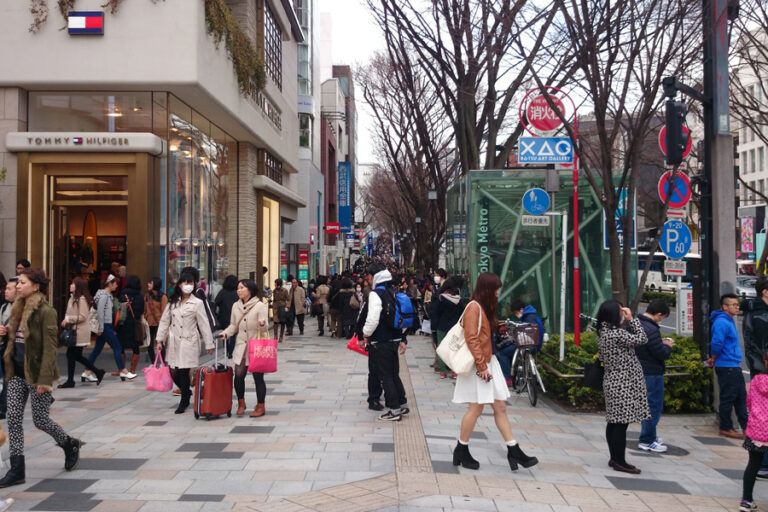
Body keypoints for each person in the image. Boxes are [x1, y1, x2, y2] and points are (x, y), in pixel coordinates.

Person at [0, 268, 84, 488]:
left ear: (36, 286)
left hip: (37, 374)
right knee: (13, 419)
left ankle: (69, 443)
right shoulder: (15, 308)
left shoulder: (46, 312)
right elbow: (14, 340)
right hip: (15, 372)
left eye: (23, 283)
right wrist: (4, 333)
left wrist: (45, 380)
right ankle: (17, 470)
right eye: (18, 283)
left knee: (40, 420)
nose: (18, 286)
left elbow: (50, 348)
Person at [451, 272, 538, 472]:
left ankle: (512, 449)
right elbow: (471, 337)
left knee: (499, 407)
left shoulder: (482, 308)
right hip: (480, 365)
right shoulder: (474, 307)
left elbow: (481, 333)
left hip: (488, 362)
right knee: (476, 409)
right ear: (487, 289)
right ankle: (462, 449)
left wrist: (497, 328)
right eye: (496, 289)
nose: (498, 292)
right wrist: (482, 367)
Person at [597, 299, 649, 474]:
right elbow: (642, 338)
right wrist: (632, 319)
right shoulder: (616, 333)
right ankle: (620, 461)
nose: (623, 312)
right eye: (620, 310)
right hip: (623, 383)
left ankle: (615, 458)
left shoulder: (603, 332)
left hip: (613, 380)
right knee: (620, 424)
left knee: (614, 422)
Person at [155, 272, 215, 414]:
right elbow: (164, 321)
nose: (188, 285)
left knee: (183, 371)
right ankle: (186, 391)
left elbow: (204, 324)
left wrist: (209, 343)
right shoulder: (173, 302)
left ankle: (183, 401)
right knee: (172, 371)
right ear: (179, 285)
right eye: (185, 283)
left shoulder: (197, 303)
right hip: (174, 341)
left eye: (191, 283)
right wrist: (159, 340)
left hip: (189, 340)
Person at [361, 267, 409, 421]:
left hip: (381, 340)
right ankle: (402, 403)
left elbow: (373, 318)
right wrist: (402, 338)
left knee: (385, 375)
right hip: (395, 338)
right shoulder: (394, 293)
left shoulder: (376, 294)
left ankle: (394, 410)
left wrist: (366, 333)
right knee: (394, 373)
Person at [222, 279, 269, 417]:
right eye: (238, 288)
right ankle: (241, 403)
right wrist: (225, 333)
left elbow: (266, 327)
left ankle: (261, 406)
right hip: (241, 346)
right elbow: (233, 325)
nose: (239, 290)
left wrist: (262, 324)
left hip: (256, 347)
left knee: (258, 377)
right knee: (238, 376)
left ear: (250, 290)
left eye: (242, 288)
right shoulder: (235, 306)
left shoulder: (259, 305)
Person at [635, 299, 675, 452]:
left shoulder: (637, 323)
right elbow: (660, 353)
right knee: (653, 407)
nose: (661, 320)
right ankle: (647, 440)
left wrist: (660, 342)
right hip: (651, 372)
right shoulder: (651, 329)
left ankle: (650, 435)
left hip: (639, 369)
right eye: (662, 317)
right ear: (658, 314)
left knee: (647, 406)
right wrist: (667, 346)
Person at [709, 293, 749, 439]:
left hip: (733, 365)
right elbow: (717, 343)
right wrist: (713, 357)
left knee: (740, 398)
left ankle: (747, 428)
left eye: (737, 304)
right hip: (727, 366)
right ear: (725, 307)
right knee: (728, 398)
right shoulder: (722, 322)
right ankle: (725, 428)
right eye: (734, 305)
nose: (737, 307)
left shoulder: (728, 320)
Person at [743, 277, 768, 478]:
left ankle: (762, 464)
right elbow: (758, 346)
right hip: (763, 372)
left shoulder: (756, 311)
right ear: (765, 292)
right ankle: (763, 465)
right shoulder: (759, 314)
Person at [84, 275, 132, 381]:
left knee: (97, 350)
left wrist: (124, 305)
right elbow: (100, 312)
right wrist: (101, 328)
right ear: (109, 283)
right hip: (105, 326)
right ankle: (123, 370)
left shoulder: (106, 295)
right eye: (115, 284)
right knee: (117, 347)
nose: (116, 286)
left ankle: (87, 371)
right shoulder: (104, 296)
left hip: (105, 325)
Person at [58, 277, 103, 388]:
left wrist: (68, 319)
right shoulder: (72, 298)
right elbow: (69, 313)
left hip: (79, 332)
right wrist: (67, 319)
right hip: (74, 330)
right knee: (76, 356)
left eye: (73, 284)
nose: (70, 285)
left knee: (72, 355)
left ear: (78, 286)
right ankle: (97, 372)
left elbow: (83, 316)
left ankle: (71, 381)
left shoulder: (81, 300)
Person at [740, 349, 768, 512]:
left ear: (764, 361)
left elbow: (749, 402)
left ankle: (746, 500)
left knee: (753, 466)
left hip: (756, 430)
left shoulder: (757, 380)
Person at [496, 299, 544, 387]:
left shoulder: (528, 317)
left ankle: (508, 379)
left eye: (516, 312)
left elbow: (528, 333)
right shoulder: (532, 314)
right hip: (535, 344)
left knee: (503, 353)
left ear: (521, 309)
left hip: (529, 346)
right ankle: (514, 375)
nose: (516, 314)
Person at [432, 277, 465, 379]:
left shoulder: (441, 299)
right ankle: (455, 372)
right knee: (454, 349)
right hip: (455, 328)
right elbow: (462, 313)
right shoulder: (459, 300)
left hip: (442, 327)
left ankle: (443, 372)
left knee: (441, 348)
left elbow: (436, 313)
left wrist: (434, 327)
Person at [115, 275, 144, 377]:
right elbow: (141, 310)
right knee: (135, 347)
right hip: (135, 324)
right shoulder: (140, 296)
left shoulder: (123, 294)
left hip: (123, 324)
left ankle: (122, 369)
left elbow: (118, 309)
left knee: (120, 346)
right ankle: (132, 370)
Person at [0, 278, 18, 418]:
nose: (5, 291)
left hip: (18, 348)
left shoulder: (25, 308)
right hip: (5, 346)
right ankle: (3, 406)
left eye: (9, 289)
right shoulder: (4, 307)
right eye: (5, 288)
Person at [144, 277, 168, 364]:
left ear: (155, 284)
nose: (148, 284)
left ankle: (162, 363)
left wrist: (163, 323)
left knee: (160, 344)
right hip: (149, 323)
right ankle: (153, 363)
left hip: (159, 324)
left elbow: (164, 312)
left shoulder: (163, 297)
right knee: (149, 344)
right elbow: (145, 309)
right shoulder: (147, 296)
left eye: (150, 283)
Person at [214, 275, 239, 358]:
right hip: (235, 317)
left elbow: (216, 302)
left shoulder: (222, 292)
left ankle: (227, 349)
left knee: (225, 334)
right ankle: (231, 352)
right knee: (233, 335)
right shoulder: (237, 293)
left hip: (224, 316)